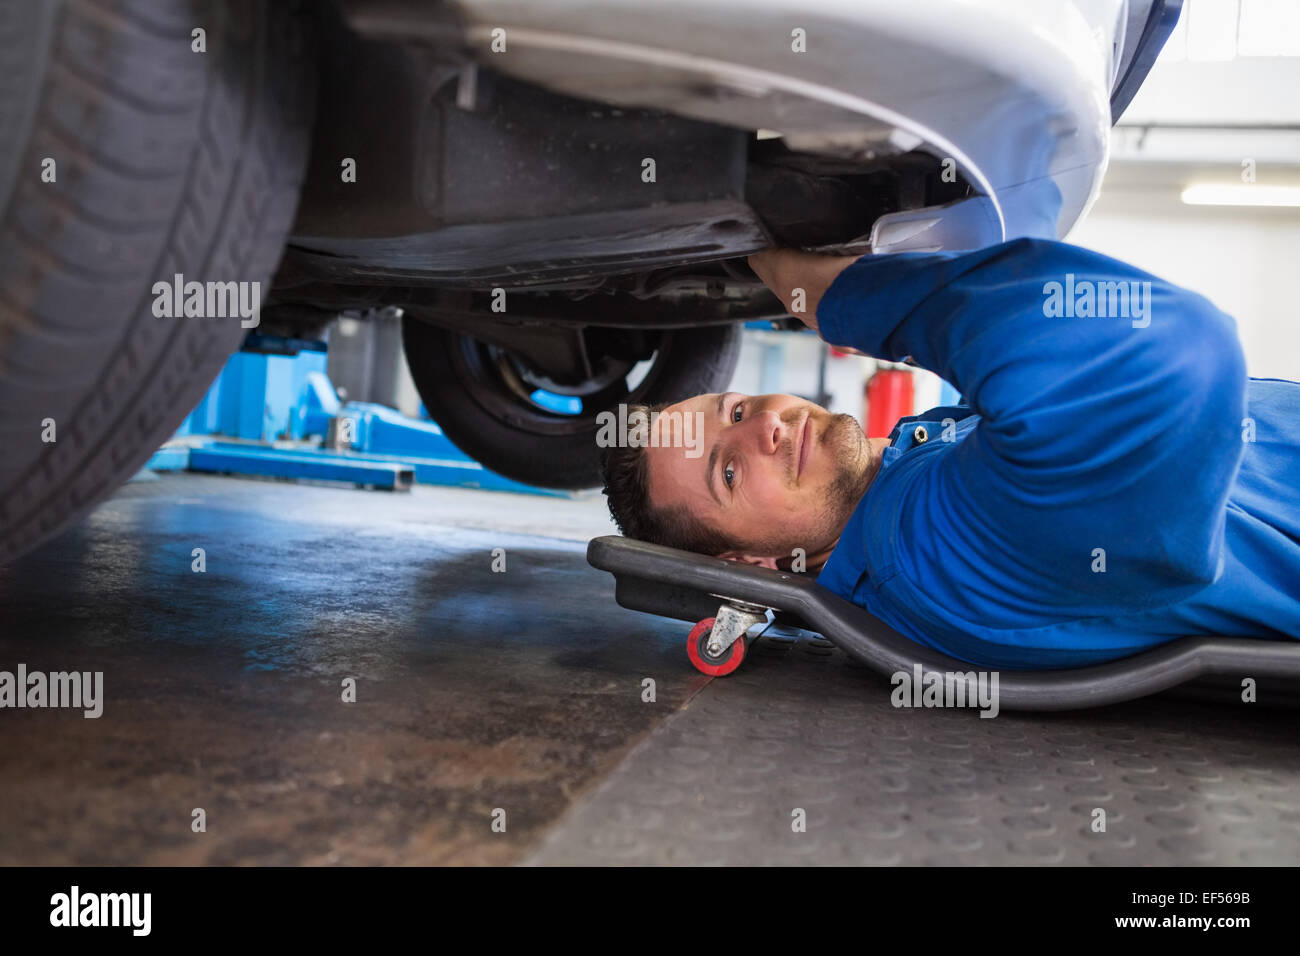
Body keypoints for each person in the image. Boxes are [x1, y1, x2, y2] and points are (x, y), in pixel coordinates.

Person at [598, 238, 1300, 670]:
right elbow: (1162, 352)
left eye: (740, 409)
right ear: (747, 564)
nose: (766, 430)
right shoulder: (925, 555)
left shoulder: (906, 485)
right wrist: (848, 296)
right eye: (729, 470)